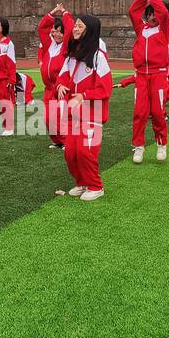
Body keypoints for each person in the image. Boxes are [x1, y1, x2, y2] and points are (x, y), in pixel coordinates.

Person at [56, 13, 113, 201]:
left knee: (85, 151)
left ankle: (96, 186)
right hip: (72, 114)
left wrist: (84, 95)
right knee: (71, 153)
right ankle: (81, 182)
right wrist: (60, 85)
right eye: (75, 26)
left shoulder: (98, 57)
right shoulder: (72, 55)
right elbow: (63, 75)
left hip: (92, 113)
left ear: (90, 30)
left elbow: (106, 88)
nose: (75, 29)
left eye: (80, 26)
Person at [129, 0, 169, 162]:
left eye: (155, 14)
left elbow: (163, 12)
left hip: (158, 74)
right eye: (150, 14)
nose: (153, 16)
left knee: (157, 112)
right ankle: (138, 146)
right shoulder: (141, 29)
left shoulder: (165, 30)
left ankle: (161, 144)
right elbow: (132, 11)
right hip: (141, 75)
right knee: (139, 112)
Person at [38, 3, 74, 149]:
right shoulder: (49, 45)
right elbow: (42, 27)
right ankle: (58, 141)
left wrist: (65, 12)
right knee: (48, 119)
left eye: (60, 32)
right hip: (48, 89)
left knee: (61, 117)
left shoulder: (66, 46)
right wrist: (53, 12)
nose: (57, 34)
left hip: (61, 88)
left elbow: (70, 28)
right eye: (55, 31)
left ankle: (67, 141)